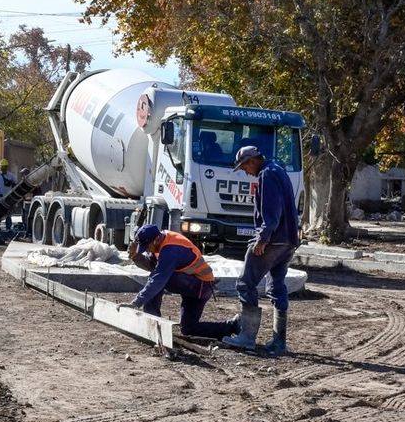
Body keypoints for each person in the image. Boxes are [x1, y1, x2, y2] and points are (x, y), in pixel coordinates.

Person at [221, 145, 300, 356]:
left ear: (253, 160)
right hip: (289, 241)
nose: (246, 172)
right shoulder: (278, 170)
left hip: (273, 240)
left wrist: (261, 240)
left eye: (245, 167)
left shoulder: (267, 175)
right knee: (277, 287)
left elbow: (271, 214)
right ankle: (278, 342)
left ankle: (247, 337)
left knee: (245, 283)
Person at [120, 225, 238, 340]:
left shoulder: (171, 250)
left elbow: (158, 277)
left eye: (147, 247)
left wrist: (136, 303)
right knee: (188, 328)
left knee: (157, 280)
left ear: (155, 240)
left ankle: (152, 323)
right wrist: (137, 257)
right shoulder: (159, 240)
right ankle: (231, 326)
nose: (147, 250)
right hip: (194, 284)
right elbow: (154, 266)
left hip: (201, 285)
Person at [0, 158, 17, 231]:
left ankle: (8, 227)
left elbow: (15, 185)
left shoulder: (11, 176)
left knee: (8, 212)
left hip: (7, 196)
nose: (2, 168)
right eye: (1, 166)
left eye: (4, 166)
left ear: (6, 167)